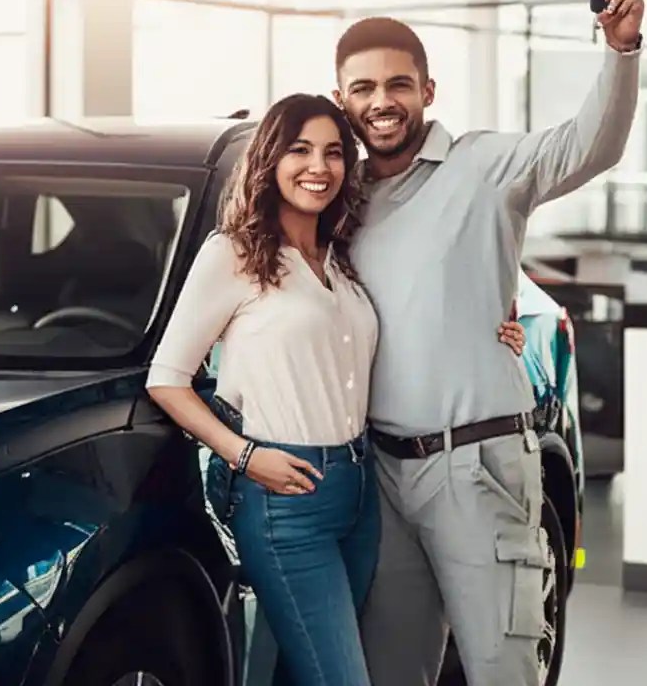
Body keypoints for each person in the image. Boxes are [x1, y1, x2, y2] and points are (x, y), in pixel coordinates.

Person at [145, 93, 526, 686]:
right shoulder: (234, 254)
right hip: (283, 497)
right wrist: (245, 456)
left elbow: (423, 302)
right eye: (299, 150)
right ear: (269, 159)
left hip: (359, 492)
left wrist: (492, 324)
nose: (317, 167)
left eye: (332, 153)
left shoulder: (343, 256)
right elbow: (167, 380)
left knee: (302, 672)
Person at [330, 0, 644, 683]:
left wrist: (621, 52)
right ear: (344, 100)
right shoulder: (341, 203)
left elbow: (588, 144)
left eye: (398, 85)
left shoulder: (484, 166)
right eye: (364, 89)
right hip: (381, 472)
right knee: (393, 670)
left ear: (427, 91)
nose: (382, 102)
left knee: (501, 669)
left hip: (475, 465)